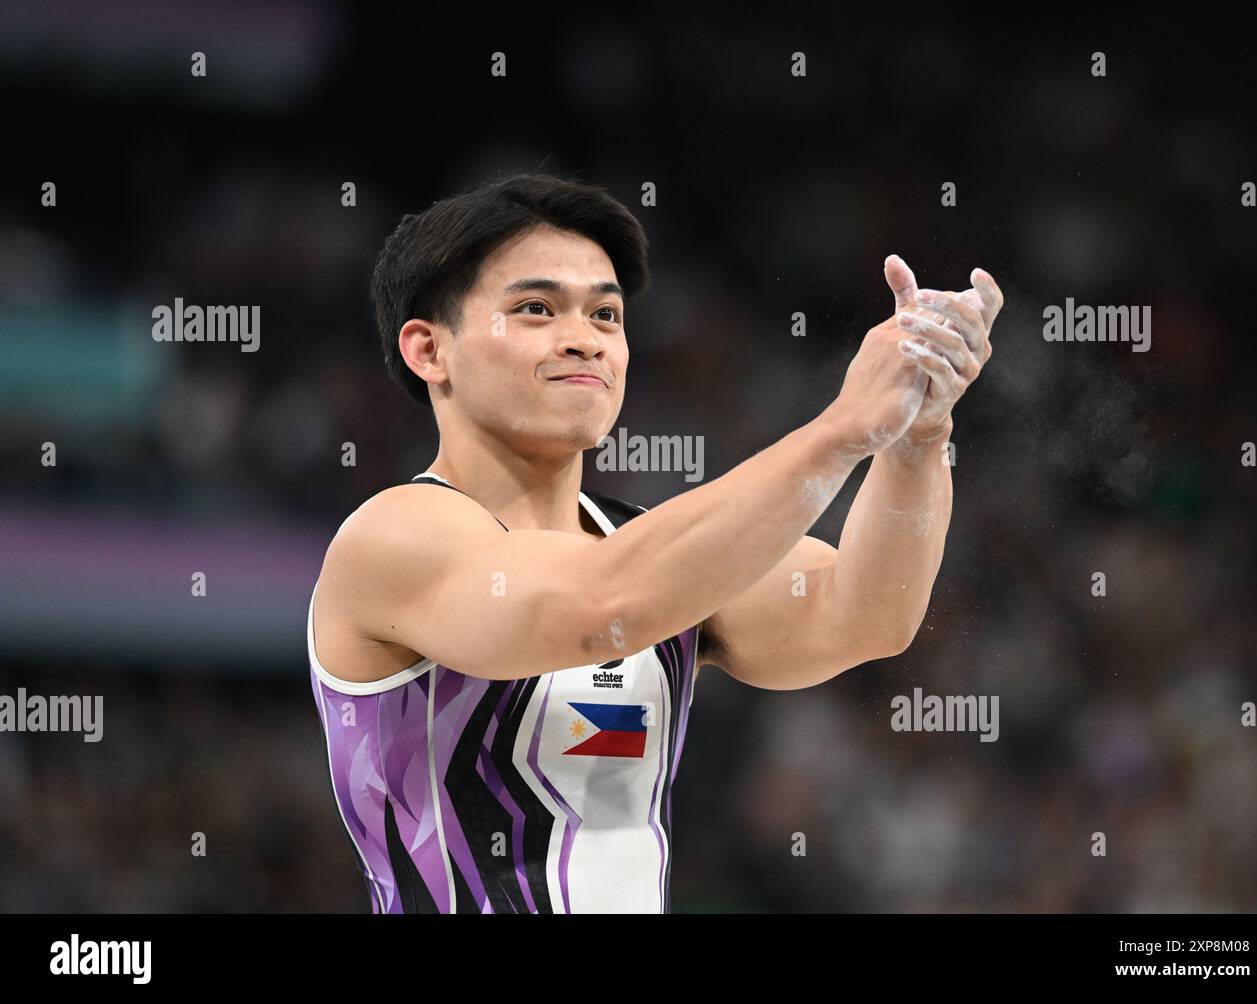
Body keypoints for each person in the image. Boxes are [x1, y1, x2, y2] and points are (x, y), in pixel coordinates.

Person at [307, 172, 1001, 913]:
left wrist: (916, 435)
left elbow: (866, 614)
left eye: (606, 315)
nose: (584, 340)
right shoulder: (391, 536)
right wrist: (841, 429)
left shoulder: (654, 555)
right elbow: (597, 608)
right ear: (429, 349)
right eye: (536, 308)